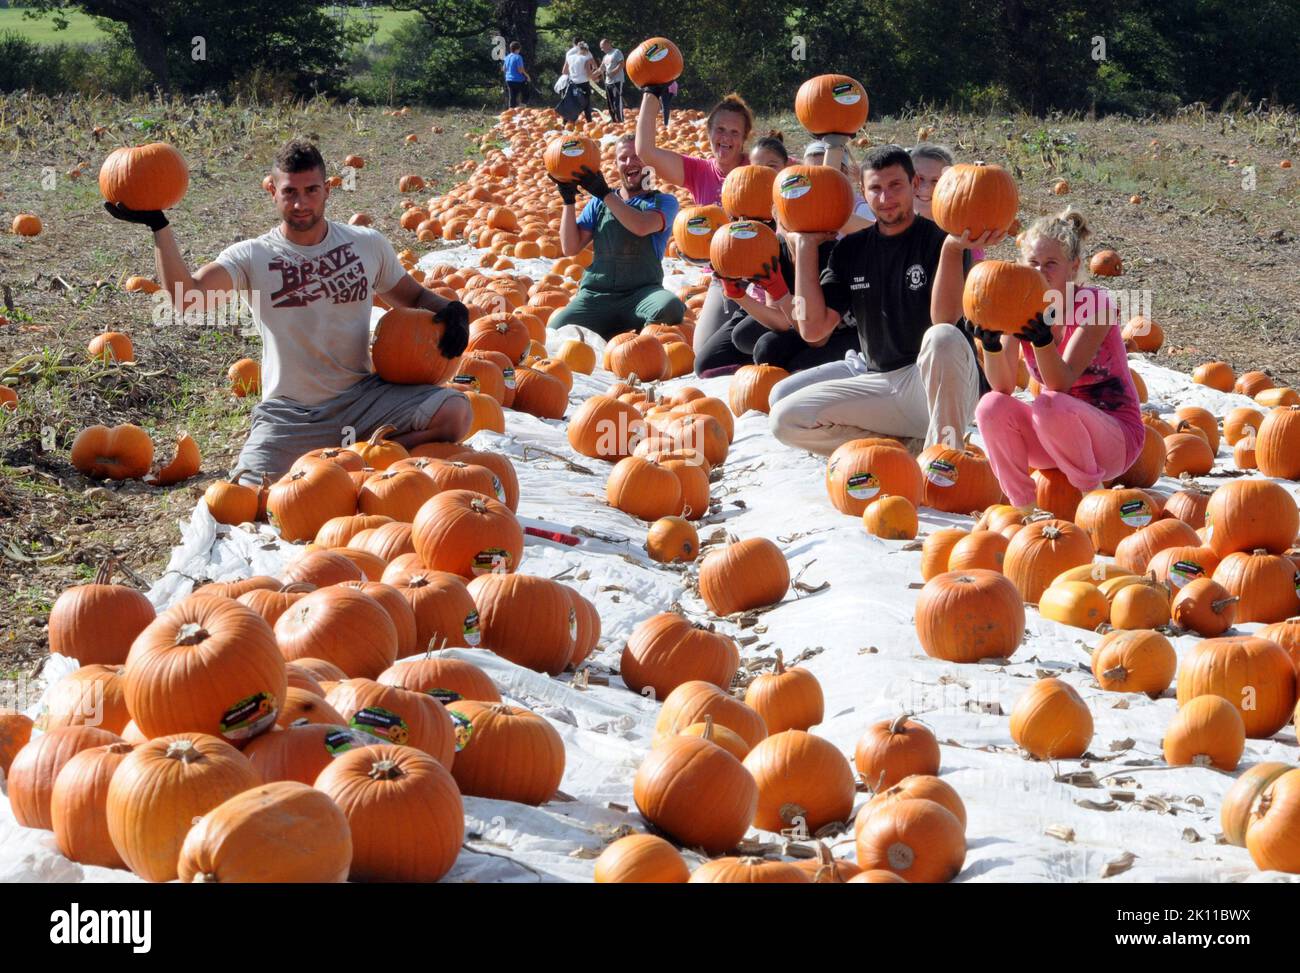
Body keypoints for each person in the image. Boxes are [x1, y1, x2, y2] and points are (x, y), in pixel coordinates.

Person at [104, 139, 471, 483]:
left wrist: (453, 311)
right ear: (272, 191)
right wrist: (159, 226)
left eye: (312, 190)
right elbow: (187, 298)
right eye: (290, 192)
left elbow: (413, 297)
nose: (301, 203)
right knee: (250, 489)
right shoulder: (251, 255)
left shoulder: (366, 244)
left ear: (328, 189)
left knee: (456, 411)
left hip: (364, 398)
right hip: (290, 414)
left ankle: (362, 458)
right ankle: (341, 463)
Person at [769, 144, 995, 455]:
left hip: (936, 383)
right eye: (875, 188)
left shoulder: (943, 240)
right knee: (785, 417)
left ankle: (945, 460)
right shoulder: (851, 250)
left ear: (914, 185)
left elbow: (945, 319)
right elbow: (812, 329)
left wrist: (954, 249)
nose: (885, 199)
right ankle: (900, 449)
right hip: (881, 379)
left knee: (942, 337)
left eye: (895, 186)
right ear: (863, 191)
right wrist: (805, 245)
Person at [969, 209, 1144, 513]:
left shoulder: (1095, 306)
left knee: (1048, 402)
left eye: (1051, 264)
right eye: (1033, 263)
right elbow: (1004, 386)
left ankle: (1094, 504)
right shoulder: (1019, 306)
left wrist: (1041, 339)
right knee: (989, 405)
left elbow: (1060, 382)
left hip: (1114, 438)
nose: (1040, 272)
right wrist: (991, 345)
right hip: (1055, 436)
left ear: (1073, 268)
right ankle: (1023, 510)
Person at [636, 90, 753, 359]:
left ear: (744, 138)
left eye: (735, 133)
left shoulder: (759, 167)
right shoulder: (698, 172)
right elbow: (646, 152)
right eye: (720, 129)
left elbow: (804, 176)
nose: (726, 138)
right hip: (724, 278)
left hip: (765, 277)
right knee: (704, 352)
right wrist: (651, 93)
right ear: (709, 131)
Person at [546, 135, 684, 339]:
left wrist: (604, 194)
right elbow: (570, 247)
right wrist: (568, 201)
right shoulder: (598, 203)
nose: (630, 163)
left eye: (636, 156)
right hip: (597, 296)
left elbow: (641, 226)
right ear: (616, 165)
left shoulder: (663, 201)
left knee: (671, 307)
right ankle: (618, 330)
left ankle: (634, 341)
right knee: (557, 327)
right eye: (623, 158)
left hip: (642, 294)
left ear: (649, 161)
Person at [910, 143, 953, 222]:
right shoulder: (885, 222)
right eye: (920, 178)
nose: (926, 188)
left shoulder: (957, 227)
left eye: (935, 181)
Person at [561, 38, 598, 123]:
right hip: (583, 84)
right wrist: (594, 77)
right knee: (586, 105)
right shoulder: (586, 59)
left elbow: (564, 71)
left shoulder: (570, 57)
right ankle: (589, 122)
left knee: (571, 103)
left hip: (572, 84)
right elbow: (588, 74)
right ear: (586, 50)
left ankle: (564, 123)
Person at [599, 39, 625, 123]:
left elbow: (621, 64)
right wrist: (590, 77)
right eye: (601, 48)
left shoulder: (616, 52)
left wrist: (612, 73)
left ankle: (620, 121)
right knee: (610, 104)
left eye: (602, 47)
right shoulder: (605, 57)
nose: (602, 49)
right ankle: (614, 121)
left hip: (617, 80)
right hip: (608, 82)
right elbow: (601, 69)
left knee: (617, 102)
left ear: (608, 44)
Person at [503, 41, 530, 109]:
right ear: (518, 49)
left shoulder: (507, 57)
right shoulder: (518, 57)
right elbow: (520, 70)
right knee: (526, 94)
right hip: (518, 80)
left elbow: (504, 69)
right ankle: (521, 109)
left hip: (508, 79)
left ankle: (511, 111)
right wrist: (527, 76)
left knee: (513, 96)